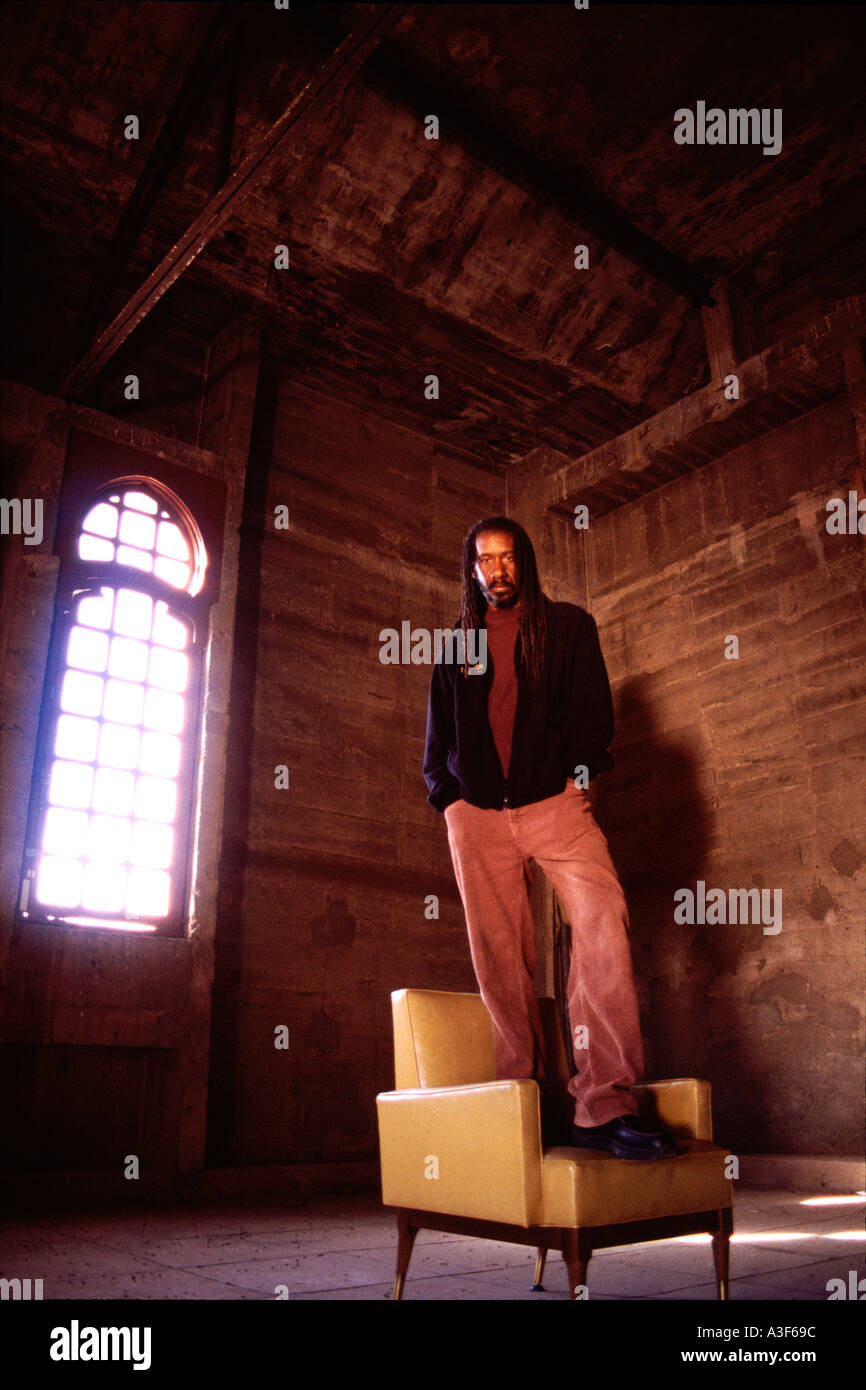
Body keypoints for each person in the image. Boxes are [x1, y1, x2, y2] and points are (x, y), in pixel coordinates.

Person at [423, 516, 676, 1160]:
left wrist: (580, 775)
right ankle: (521, 1098)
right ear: (471, 569)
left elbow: (594, 715)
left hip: (554, 802)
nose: (497, 570)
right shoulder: (454, 643)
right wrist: (447, 799)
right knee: (499, 952)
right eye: (485, 560)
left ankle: (604, 1103)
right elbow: (437, 740)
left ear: (524, 562)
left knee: (603, 921)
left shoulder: (568, 627)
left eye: (508, 557)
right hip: (475, 814)